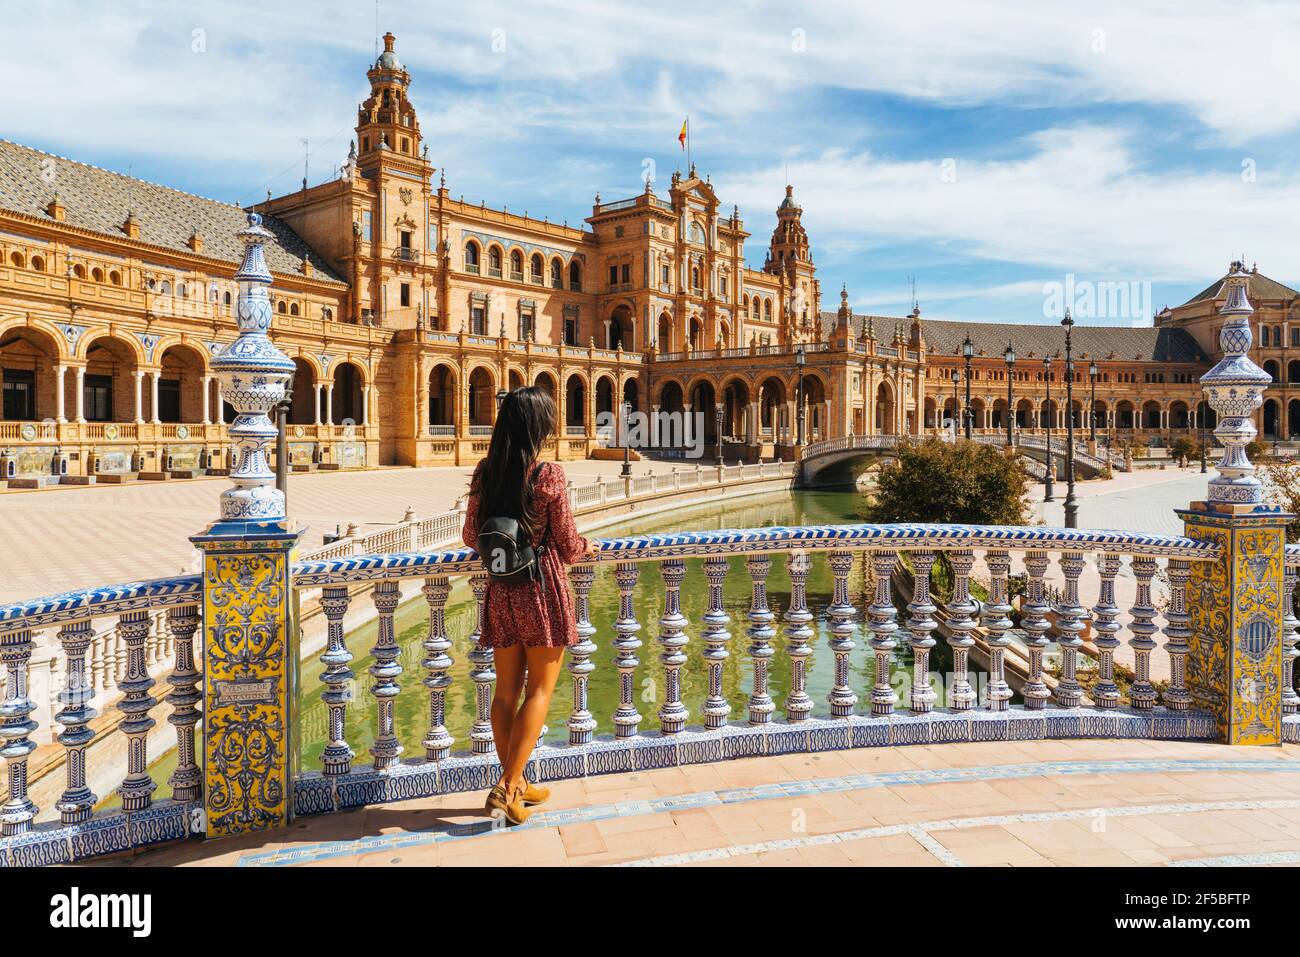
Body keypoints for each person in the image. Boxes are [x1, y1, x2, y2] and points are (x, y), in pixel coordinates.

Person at [461, 386, 597, 825]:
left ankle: (515, 783)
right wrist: (588, 548)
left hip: (502, 591)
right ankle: (507, 787)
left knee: (505, 692)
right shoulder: (548, 475)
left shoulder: (485, 472)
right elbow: (569, 545)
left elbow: (469, 536)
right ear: (539, 427)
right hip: (542, 590)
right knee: (539, 690)